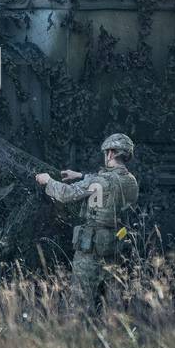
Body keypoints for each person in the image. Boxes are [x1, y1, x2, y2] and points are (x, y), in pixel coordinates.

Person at [36, 133, 139, 312]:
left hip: (90, 250)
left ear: (111, 153)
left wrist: (48, 182)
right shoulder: (131, 181)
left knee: (79, 300)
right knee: (114, 302)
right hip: (114, 246)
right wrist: (80, 175)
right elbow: (109, 181)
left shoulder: (98, 181)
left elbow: (66, 194)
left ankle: (79, 334)